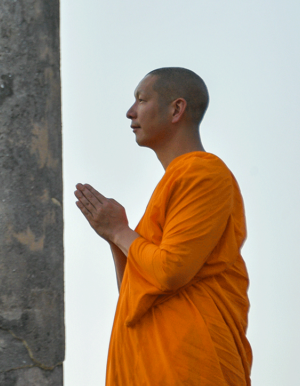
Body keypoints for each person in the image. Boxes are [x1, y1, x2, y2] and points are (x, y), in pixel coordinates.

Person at [74, 67, 251, 386]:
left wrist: (119, 231)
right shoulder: (173, 184)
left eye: (141, 100)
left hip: (188, 365)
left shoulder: (204, 174)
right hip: (148, 368)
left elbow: (171, 270)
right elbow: (136, 293)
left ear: (176, 109)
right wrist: (115, 238)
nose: (130, 112)